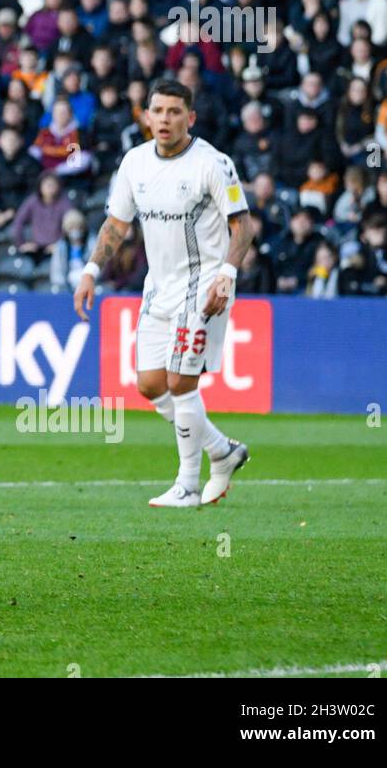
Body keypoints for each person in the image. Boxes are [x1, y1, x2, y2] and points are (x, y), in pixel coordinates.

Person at [74, 77, 253, 508]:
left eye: (175, 112)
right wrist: (91, 270)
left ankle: (188, 484)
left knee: (181, 381)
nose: (166, 119)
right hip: (159, 287)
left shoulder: (213, 163)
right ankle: (223, 451)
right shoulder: (134, 163)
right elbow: (117, 225)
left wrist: (227, 273)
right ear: (146, 116)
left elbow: (242, 224)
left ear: (190, 118)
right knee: (151, 385)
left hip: (203, 285)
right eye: (159, 111)